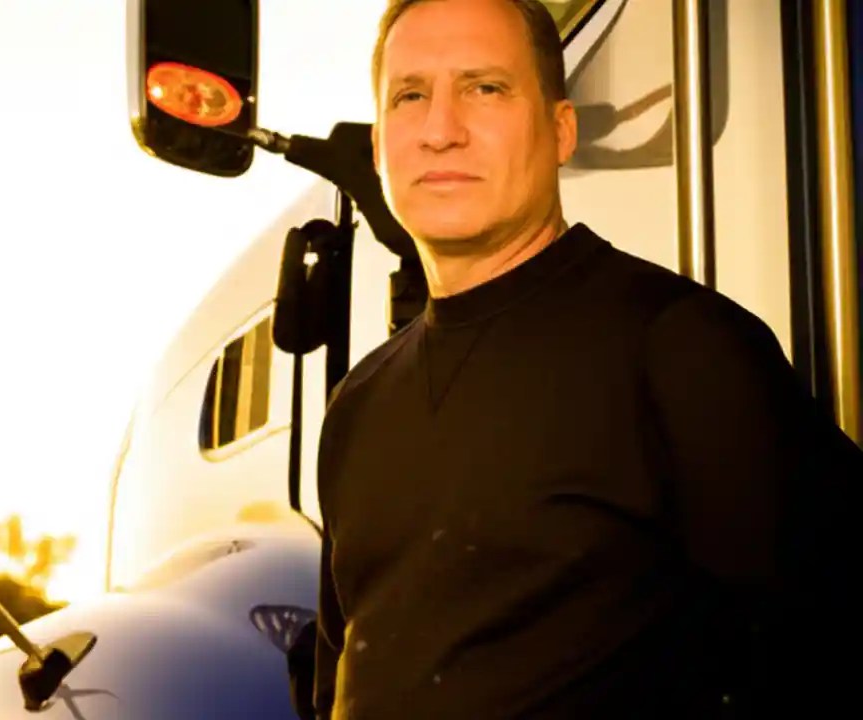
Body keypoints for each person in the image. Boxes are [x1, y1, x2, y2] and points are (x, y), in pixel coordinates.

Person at [310, 0, 863, 718]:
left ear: (562, 129)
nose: (441, 131)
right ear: (381, 145)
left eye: (485, 88)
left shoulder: (680, 347)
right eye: (411, 95)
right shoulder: (358, 405)